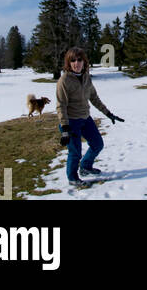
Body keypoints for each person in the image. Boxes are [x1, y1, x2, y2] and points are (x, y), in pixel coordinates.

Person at [55, 47, 124, 188]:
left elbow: (94, 98)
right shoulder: (64, 81)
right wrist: (65, 128)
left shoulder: (86, 77)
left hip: (85, 118)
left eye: (79, 60)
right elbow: (61, 105)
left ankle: (85, 167)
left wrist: (108, 113)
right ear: (68, 63)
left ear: (84, 62)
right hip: (71, 122)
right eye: (73, 60)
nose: (76, 63)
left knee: (98, 144)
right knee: (75, 152)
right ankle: (73, 178)